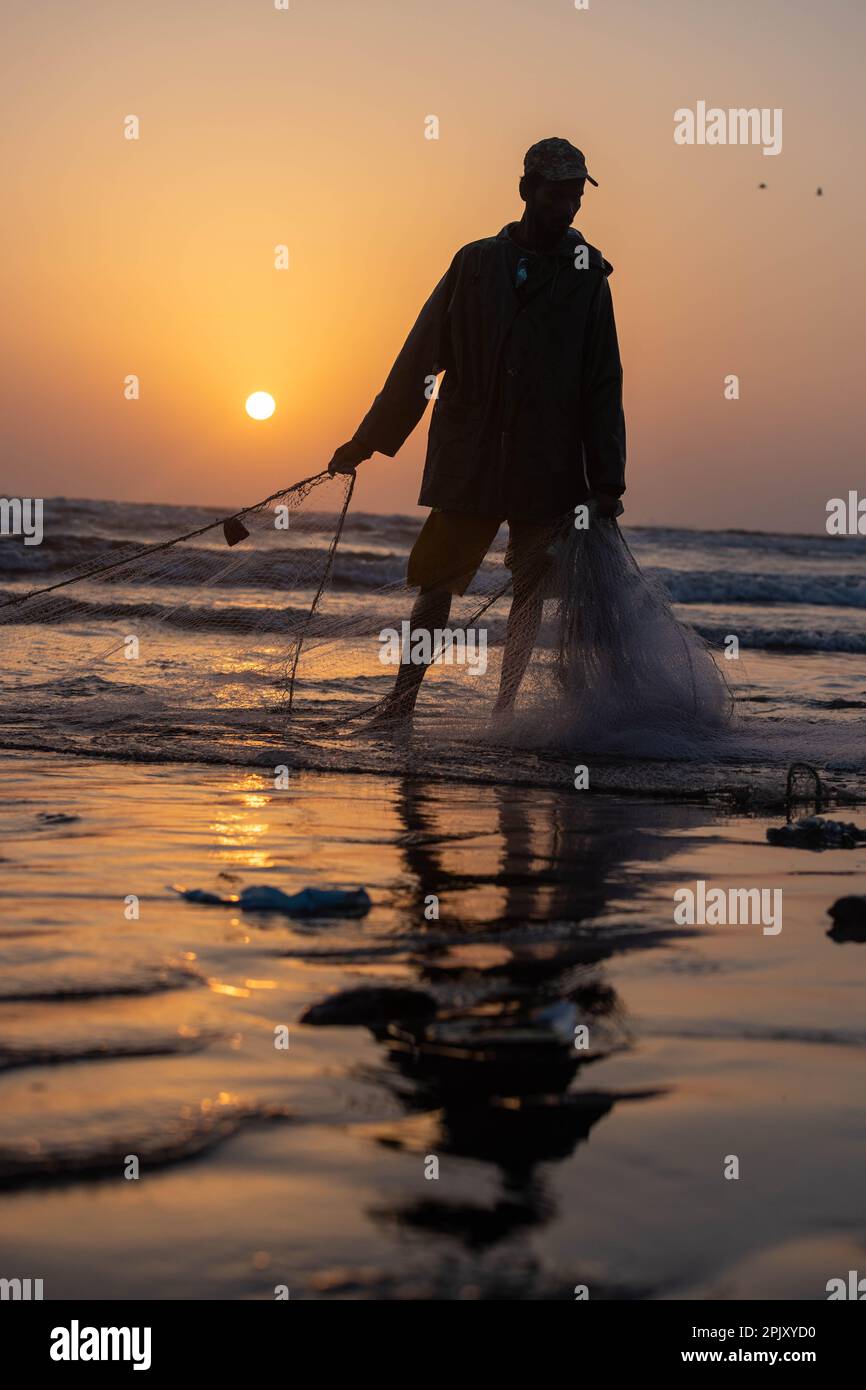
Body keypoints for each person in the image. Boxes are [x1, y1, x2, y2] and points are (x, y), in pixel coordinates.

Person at [329, 137, 626, 722]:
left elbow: (603, 383)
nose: (565, 209)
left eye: (574, 198)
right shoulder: (474, 264)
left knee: (529, 591)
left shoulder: (589, 278)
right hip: (470, 457)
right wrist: (368, 439)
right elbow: (420, 358)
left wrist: (607, 481)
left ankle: (505, 712)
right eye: (554, 195)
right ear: (525, 191)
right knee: (436, 584)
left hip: (550, 463)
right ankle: (401, 703)